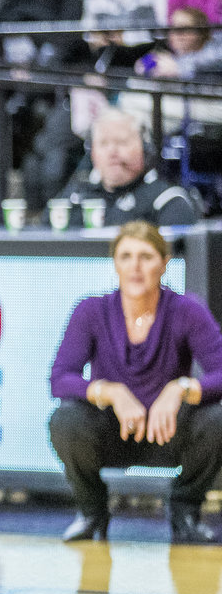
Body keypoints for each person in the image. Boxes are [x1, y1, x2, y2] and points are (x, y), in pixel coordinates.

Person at [50, 220, 222, 544]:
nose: (135, 267)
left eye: (146, 256)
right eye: (126, 256)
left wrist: (181, 388)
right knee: (65, 420)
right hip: (112, 432)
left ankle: (185, 510)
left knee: (217, 420)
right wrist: (110, 391)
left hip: (168, 431)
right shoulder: (92, 311)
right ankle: (91, 512)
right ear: (115, 263)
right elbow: (60, 379)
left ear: (165, 262)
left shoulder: (186, 310)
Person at [52, 109, 203, 228]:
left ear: (145, 149)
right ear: (92, 154)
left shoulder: (167, 201)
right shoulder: (73, 197)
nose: (112, 152)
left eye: (122, 142)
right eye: (103, 143)